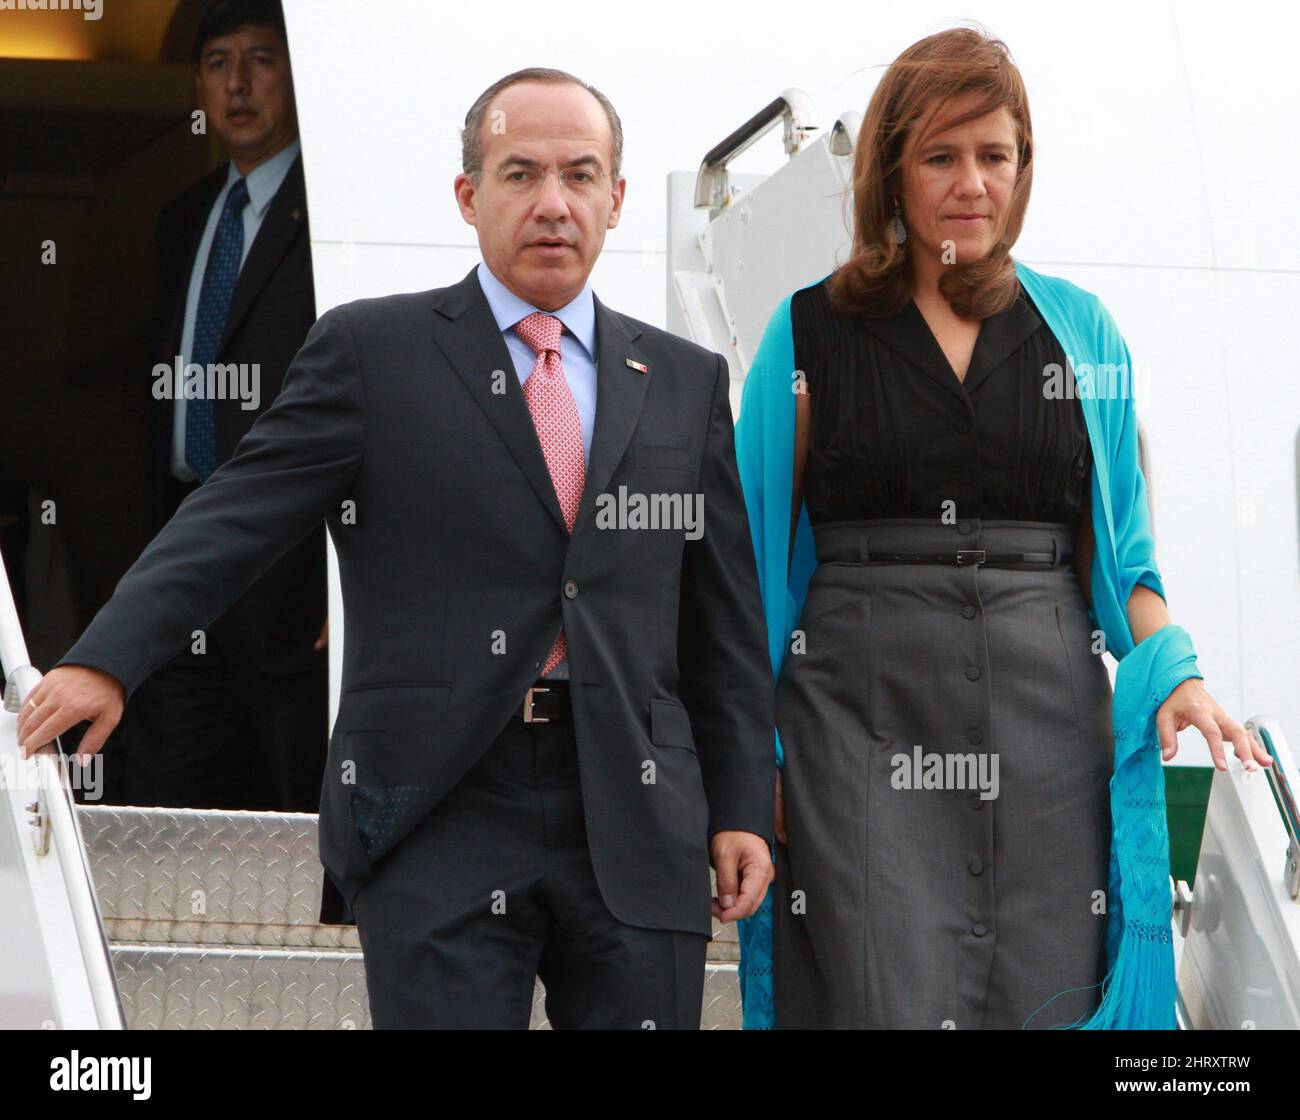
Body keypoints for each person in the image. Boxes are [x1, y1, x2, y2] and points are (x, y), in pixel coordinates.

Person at [19, 67, 776, 1029]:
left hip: (634, 805)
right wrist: (108, 658)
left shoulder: (682, 380)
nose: (553, 203)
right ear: (469, 196)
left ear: (617, 198)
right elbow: (234, 515)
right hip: (439, 805)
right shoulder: (373, 352)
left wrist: (742, 800)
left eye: (581, 176)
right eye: (520, 174)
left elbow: (723, 625)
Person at [733, 26, 1270, 1030]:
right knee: (874, 998)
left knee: (1045, 998)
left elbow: (1122, 562)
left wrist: (1178, 671)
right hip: (854, 736)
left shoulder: (1082, 329)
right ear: (891, 170)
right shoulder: (805, 331)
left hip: (1045, 746)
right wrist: (750, 757)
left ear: (1024, 168)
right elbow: (749, 564)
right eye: (941, 155)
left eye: (995, 154)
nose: (971, 182)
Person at [112, 0, 327, 811]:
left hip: (293, 568)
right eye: (217, 64)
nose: (238, 84)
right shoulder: (182, 220)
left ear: (294, 76)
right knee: (171, 791)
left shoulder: (330, 215)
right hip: (181, 550)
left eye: (261, 60)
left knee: (292, 811)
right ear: (198, 88)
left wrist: (349, 581)